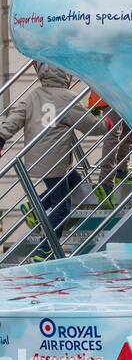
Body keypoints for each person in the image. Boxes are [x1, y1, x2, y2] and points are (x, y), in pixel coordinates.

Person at [0, 62, 100, 252]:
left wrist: (1, 137)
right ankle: (46, 249)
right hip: (56, 162)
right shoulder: (67, 97)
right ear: (65, 75)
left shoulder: (33, 96)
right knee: (62, 208)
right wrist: (106, 124)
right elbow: (89, 125)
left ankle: (34, 210)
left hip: (37, 159)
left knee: (76, 180)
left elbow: (15, 116)